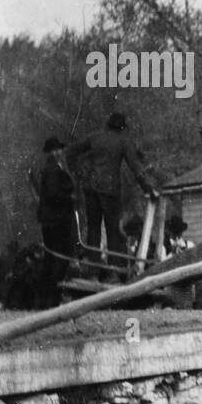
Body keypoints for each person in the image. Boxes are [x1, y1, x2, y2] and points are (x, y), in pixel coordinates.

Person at [67, 112, 157, 266]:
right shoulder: (123, 141)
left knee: (93, 229)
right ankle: (113, 271)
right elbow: (136, 168)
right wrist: (149, 189)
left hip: (91, 189)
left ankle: (93, 270)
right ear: (122, 128)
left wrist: (77, 173)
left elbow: (70, 151)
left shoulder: (94, 137)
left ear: (108, 124)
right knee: (112, 230)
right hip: (110, 191)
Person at [36, 137, 76, 309]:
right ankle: (52, 299)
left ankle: (48, 299)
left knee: (53, 258)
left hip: (52, 219)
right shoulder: (53, 170)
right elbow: (53, 195)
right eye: (53, 150)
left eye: (59, 149)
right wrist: (70, 198)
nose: (57, 152)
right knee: (58, 258)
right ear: (49, 153)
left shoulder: (54, 168)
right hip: (57, 220)